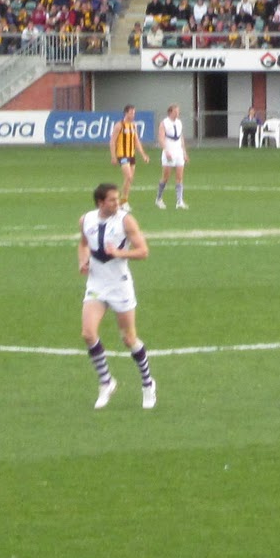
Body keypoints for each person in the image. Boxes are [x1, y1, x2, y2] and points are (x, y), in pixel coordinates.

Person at [79, 182, 157, 410]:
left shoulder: (126, 221)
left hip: (119, 285)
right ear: (100, 202)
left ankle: (148, 383)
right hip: (96, 284)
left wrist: (119, 252)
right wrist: (82, 261)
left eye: (118, 199)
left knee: (129, 338)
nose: (118, 203)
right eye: (112, 200)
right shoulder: (86, 220)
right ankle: (106, 382)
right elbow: (83, 244)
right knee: (88, 333)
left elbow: (143, 251)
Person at [109, 104, 150, 206]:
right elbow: (112, 141)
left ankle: (123, 201)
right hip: (122, 155)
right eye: (131, 113)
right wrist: (113, 156)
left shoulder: (133, 125)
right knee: (129, 176)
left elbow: (136, 141)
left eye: (134, 113)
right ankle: (120, 201)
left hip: (131, 155)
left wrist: (143, 154)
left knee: (129, 179)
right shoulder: (119, 125)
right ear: (126, 113)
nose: (133, 115)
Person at [155, 103, 189, 210]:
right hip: (169, 152)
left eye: (178, 111)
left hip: (178, 152)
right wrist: (166, 151)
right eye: (176, 111)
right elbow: (161, 138)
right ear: (170, 112)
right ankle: (159, 199)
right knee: (166, 177)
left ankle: (179, 201)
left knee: (179, 177)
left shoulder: (179, 123)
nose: (178, 113)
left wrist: (184, 152)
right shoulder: (164, 123)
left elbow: (181, 137)